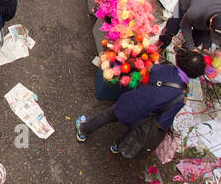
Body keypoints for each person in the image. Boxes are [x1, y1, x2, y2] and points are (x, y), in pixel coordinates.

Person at [75, 49, 204, 149]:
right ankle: (117, 147)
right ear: (196, 75)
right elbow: (162, 123)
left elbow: (150, 69)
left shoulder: (167, 69)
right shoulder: (181, 98)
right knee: (132, 132)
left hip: (131, 101)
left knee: (107, 116)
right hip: (142, 118)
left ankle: (83, 130)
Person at [157, 0, 221, 51]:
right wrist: (191, 47)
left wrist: (206, 48)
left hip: (206, 10)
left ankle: (183, 55)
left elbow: (210, 34)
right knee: (171, 27)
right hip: (183, 5)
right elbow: (184, 26)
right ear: (211, 22)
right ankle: (161, 44)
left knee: (196, 42)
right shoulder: (195, 11)